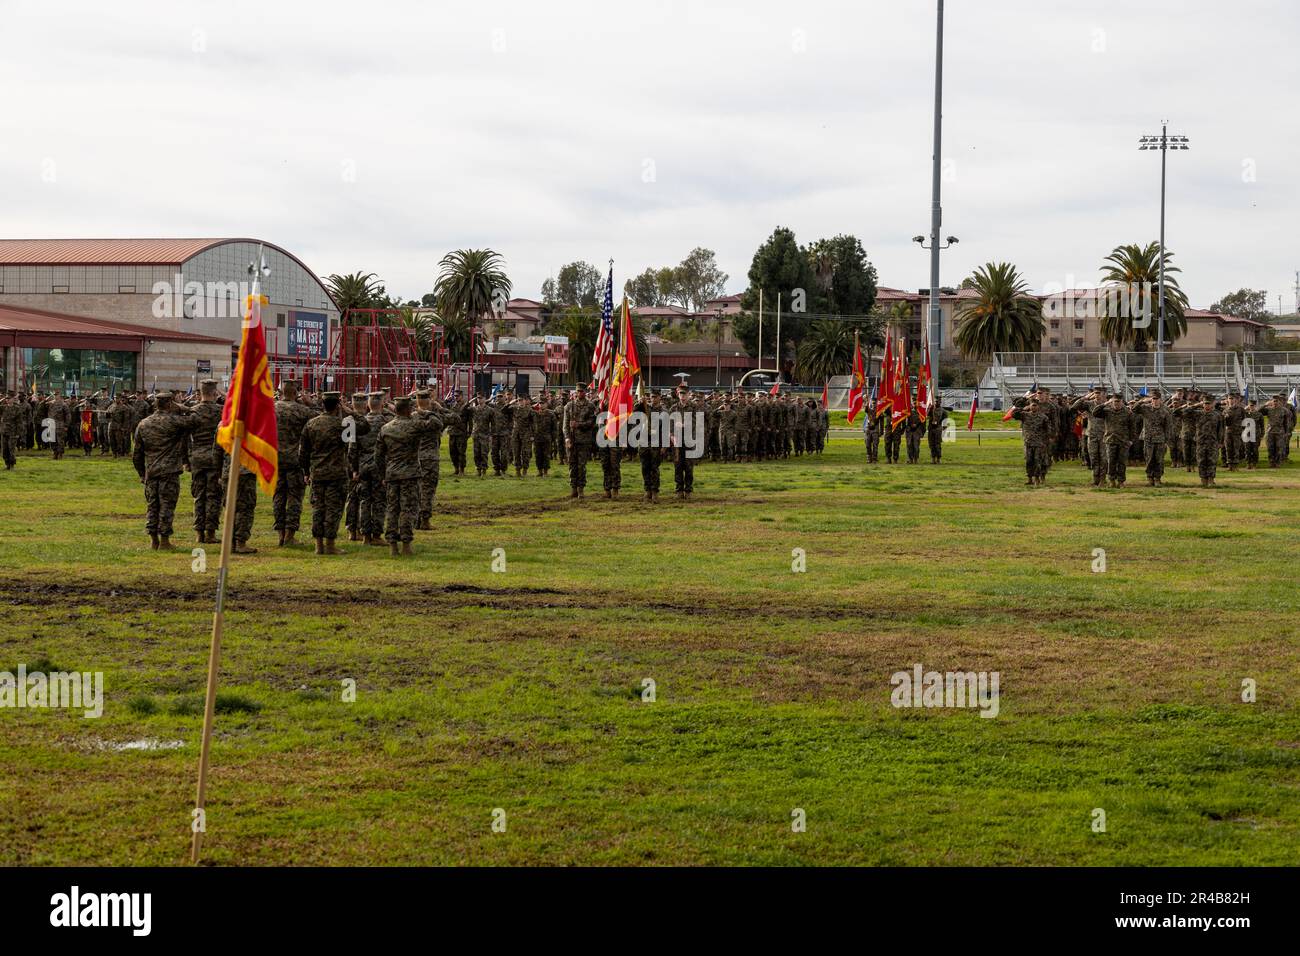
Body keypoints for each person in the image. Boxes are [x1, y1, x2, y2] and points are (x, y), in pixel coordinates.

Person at [300, 392, 368, 554]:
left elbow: (303, 451)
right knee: (334, 509)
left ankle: (318, 545)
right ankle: (330, 544)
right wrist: (350, 411)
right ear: (337, 406)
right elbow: (365, 427)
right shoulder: (343, 425)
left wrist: (306, 471)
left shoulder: (311, 424)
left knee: (318, 508)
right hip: (337, 473)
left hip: (317, 472)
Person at [375, 395, 442, 555]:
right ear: (408, 409)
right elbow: (437, 424)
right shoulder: (415, 425)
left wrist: (383, 474)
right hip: (410, 474)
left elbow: (378, 456)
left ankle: (392, 545)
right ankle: (406, 545)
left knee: (392, 509)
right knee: (408, 509)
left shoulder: (386, 428)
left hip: (391, 474)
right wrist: (424, 411)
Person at [132, 391, 199, 550]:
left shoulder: (144, 423)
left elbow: (137, 455)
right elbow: (196, 420)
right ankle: (164, 541)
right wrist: (184, 407)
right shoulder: (174, 421)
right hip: (169, 471)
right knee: (167, 506)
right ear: (170, 404)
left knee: (152, 505)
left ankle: (153, 540)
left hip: (152, 472)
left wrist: (142, 474)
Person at [273, 380, 317, 546]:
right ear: (296, 393)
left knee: (278, 496)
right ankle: (290, 535)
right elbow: (321, 419)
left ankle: (280, 533)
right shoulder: (303, 410)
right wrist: (310, 403)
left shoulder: (272, 408)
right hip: (295, 459)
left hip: (275, 459)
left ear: (282, 392)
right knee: (294, 497)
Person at [186, 380, 225, 543]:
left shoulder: (192, 412)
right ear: (215, 393)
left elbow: (185, 437)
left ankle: (199, 533)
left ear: (200, 393)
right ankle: (210, 533)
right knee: (213, 496)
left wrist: (185, 459)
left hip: (197, 457)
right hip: (215, 458)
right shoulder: (221, 411)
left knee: (199, 495)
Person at [412, 389, 450, 529]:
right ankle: (425, 521)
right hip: (430, 458)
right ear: (429, 401)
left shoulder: (412, 417)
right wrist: (439, 408)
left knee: (416, 489)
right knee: (428, 490)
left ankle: (415, 520)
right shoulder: (434, 418)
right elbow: (454, 418)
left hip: (415, 457)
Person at [563, 382, 597, 499]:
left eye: (581, 391)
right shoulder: (569, 406)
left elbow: (591, 423)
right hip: (572, 440)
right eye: (577, 391)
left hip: (584, 440)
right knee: (572, 465)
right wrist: (567, 438)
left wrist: (578, 425)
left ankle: (581, 489)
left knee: (581, 466)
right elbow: (565, 425)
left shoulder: (590, 406)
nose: (579, 393)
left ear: (585, 392)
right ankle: (573, 489)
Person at [1132, 390, 1172, 487]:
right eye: (1153, 399)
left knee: (1159, 460)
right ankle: (1150, 478)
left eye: (1156, 399)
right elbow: (1134, 409)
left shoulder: (1165, 411)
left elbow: (1168, 427)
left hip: (1160, 439)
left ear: (1160, 399)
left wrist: (1167, 440)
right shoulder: (1146, 408)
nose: (1154, 401)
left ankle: (1157, 478)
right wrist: (1142, 401)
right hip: (1148, 439)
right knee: (1149, 459)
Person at [926, 397, 948, 464]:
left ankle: (938, 458)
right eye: (935, 401)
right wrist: (929, 409)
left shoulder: (943, 411)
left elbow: (945, 421)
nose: (936, 403)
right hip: (931, 429)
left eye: (937, 402)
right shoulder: (931, 409)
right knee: (931, 444)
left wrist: (942, 428)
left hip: (938, 429)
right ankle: (933, 458)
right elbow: (926, 415)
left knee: (937, 445)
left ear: (940, 402)